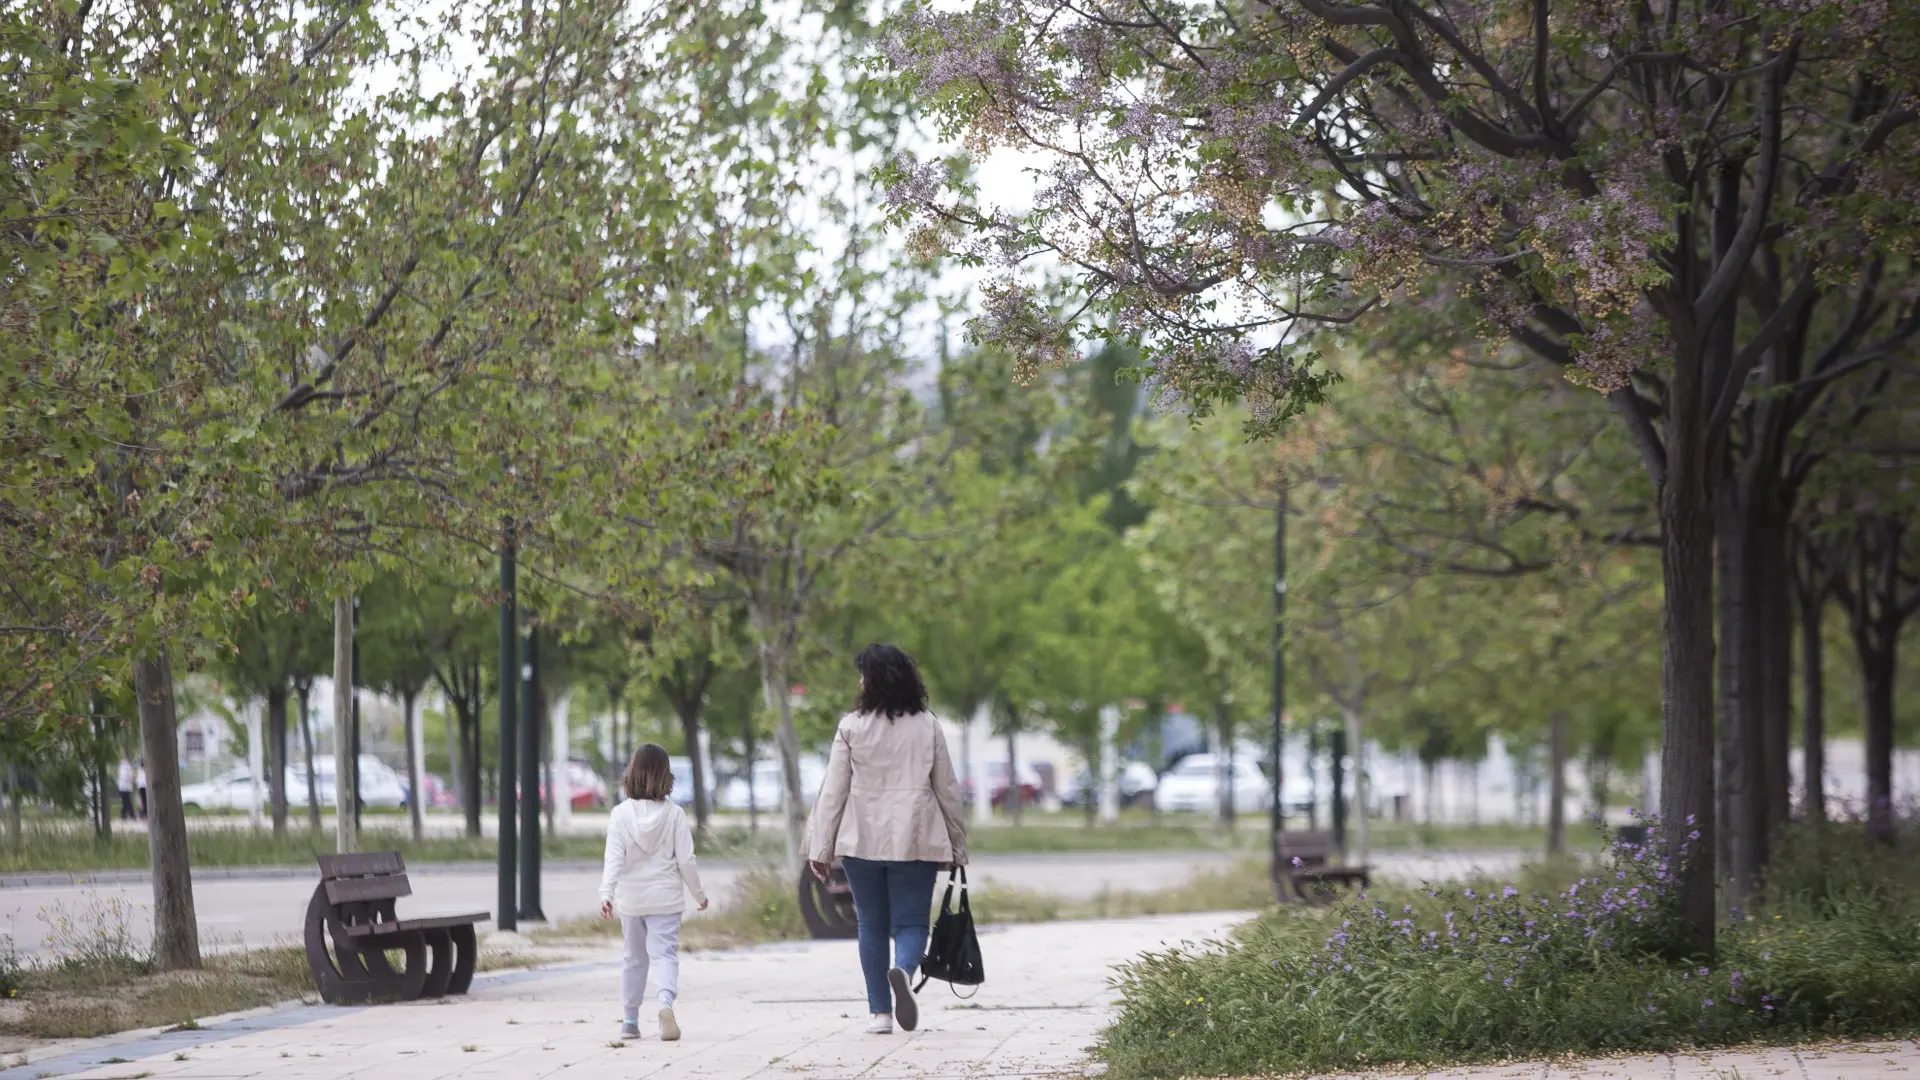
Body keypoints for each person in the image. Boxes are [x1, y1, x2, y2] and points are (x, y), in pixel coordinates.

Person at [806, 643, 968, 1035]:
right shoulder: (928, 725)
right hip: (915, 838)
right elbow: (947, 788)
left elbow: (833, 792)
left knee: (871, 925)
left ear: (872, 681)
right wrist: (958, 844)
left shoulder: (851, 727)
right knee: (912, 922)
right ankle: (904, 971)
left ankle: (879, 1014)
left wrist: (820, 847)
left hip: (861, 840)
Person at [598, 743, 707, 1043]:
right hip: (666, 899)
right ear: (665, 776)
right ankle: (664, 1004)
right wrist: (699, 895)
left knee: (633, 958)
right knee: (664, 956)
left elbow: (614, 859)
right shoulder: (675, 815)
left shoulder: (620, 815)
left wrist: (606, 894)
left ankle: (630, 1022)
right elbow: (686, 861)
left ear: (631, 774)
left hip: (631, 901)